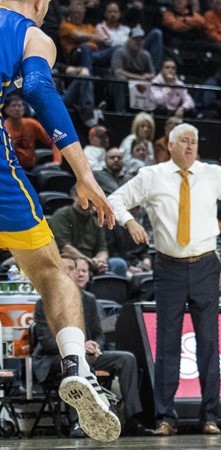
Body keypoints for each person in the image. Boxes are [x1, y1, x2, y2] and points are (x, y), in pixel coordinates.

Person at [0, 0, 120, 441]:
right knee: (52, 273)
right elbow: (37, 89)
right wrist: (84, 174)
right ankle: (78, 367)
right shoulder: (30, 34)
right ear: (40, 4)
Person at [108, 123, 221, 436]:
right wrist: (129, 222)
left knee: (208, 342)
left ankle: (210, 416)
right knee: (167, 344)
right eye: (183, 141)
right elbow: (115, 200)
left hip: (205, 267)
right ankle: (165, 418)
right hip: (168, 267)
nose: (189, 146)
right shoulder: (151, 175)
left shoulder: (212, 174)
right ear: (170, 145)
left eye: (194, 141)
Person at [33, 255, 149, 437]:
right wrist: (79, 347)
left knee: (126, 359)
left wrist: (96, 347)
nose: (70, 272)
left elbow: (99, 333)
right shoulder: (44, 303)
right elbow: (47, 343)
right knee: (76, 362)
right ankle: (78, 422)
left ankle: (132, 418)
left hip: (88, 355)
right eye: (64, 268)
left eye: (72, 268)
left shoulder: (89, 300)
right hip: (54, 358)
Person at [49, 186, 128, 277]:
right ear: (76, 196)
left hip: (91, 261)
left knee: (118, 263)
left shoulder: (96, 222)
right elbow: (64, 247)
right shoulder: (62, 215)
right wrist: (87, 261)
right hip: (69, 258)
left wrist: (100, 261)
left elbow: (102, 249)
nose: (90, 202)